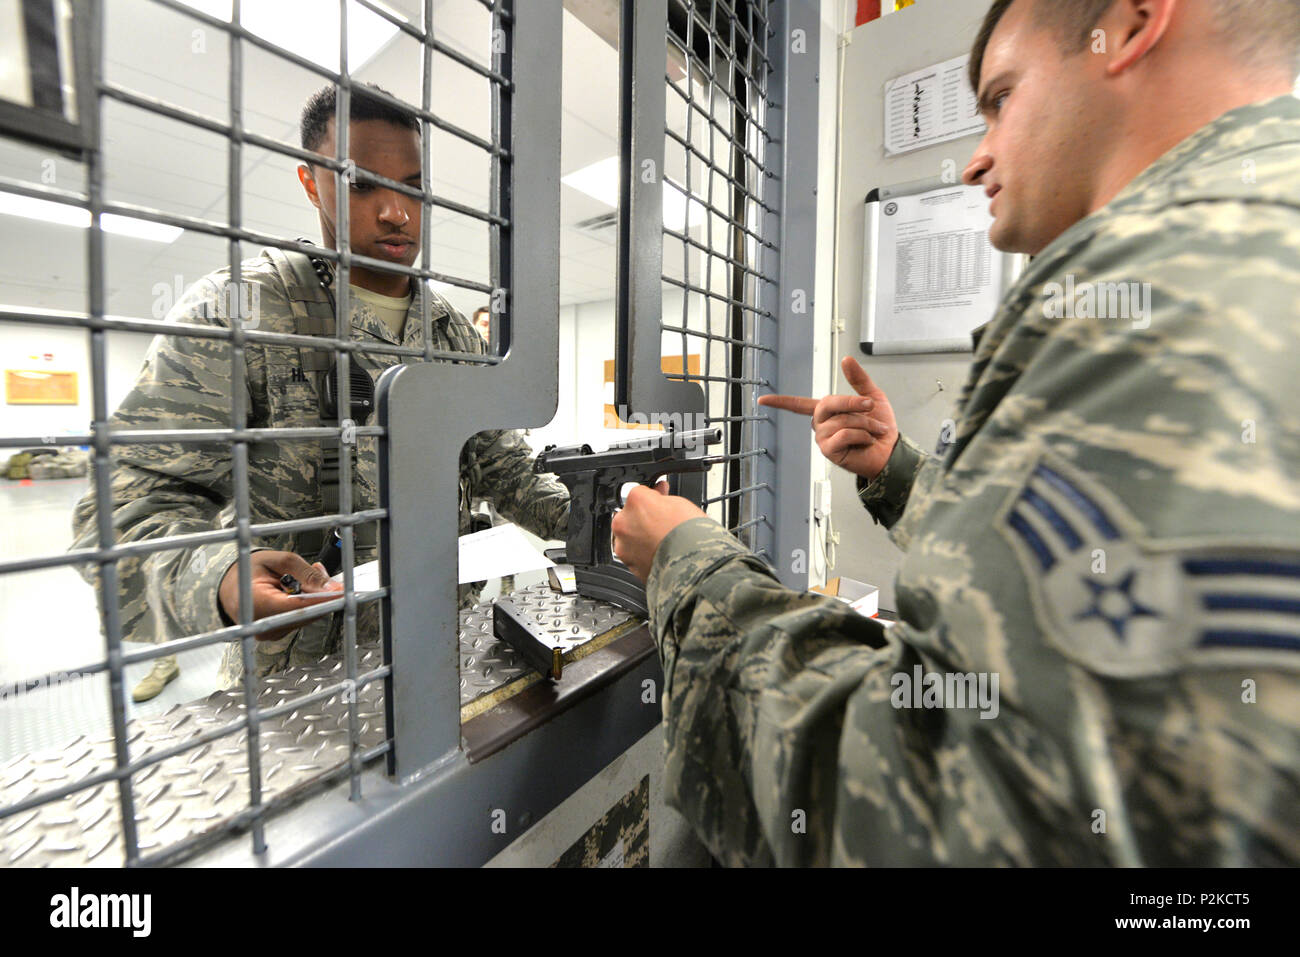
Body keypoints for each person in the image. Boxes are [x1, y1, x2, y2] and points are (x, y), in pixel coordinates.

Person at [610, 0, 1300, 865]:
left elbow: (921, 809)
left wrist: (690, 561)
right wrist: (898, 473)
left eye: (1002, 98)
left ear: (1130, 24)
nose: (977, 159)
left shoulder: (1150, 294)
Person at [72, 83, 569, 699]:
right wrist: (222, 580)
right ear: (311, 182)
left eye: (412, 186)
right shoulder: (242, 313)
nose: (396, 212)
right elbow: (122, 512)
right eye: (362, 184)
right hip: (294, 682)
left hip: (441, 651)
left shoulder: (452, 334)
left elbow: (506, 471)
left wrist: (606, 506)